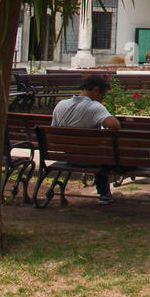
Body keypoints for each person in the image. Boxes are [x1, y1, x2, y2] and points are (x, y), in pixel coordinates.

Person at [51, 74, 121, 203]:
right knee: (105, 154)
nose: (101, 98)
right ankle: (104, 193)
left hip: (67, 155)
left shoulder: (61, 105)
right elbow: (114, 125)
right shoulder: (94, 107)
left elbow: (54, 129)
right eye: (102, 95)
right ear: (95, 90)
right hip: (89, 158)